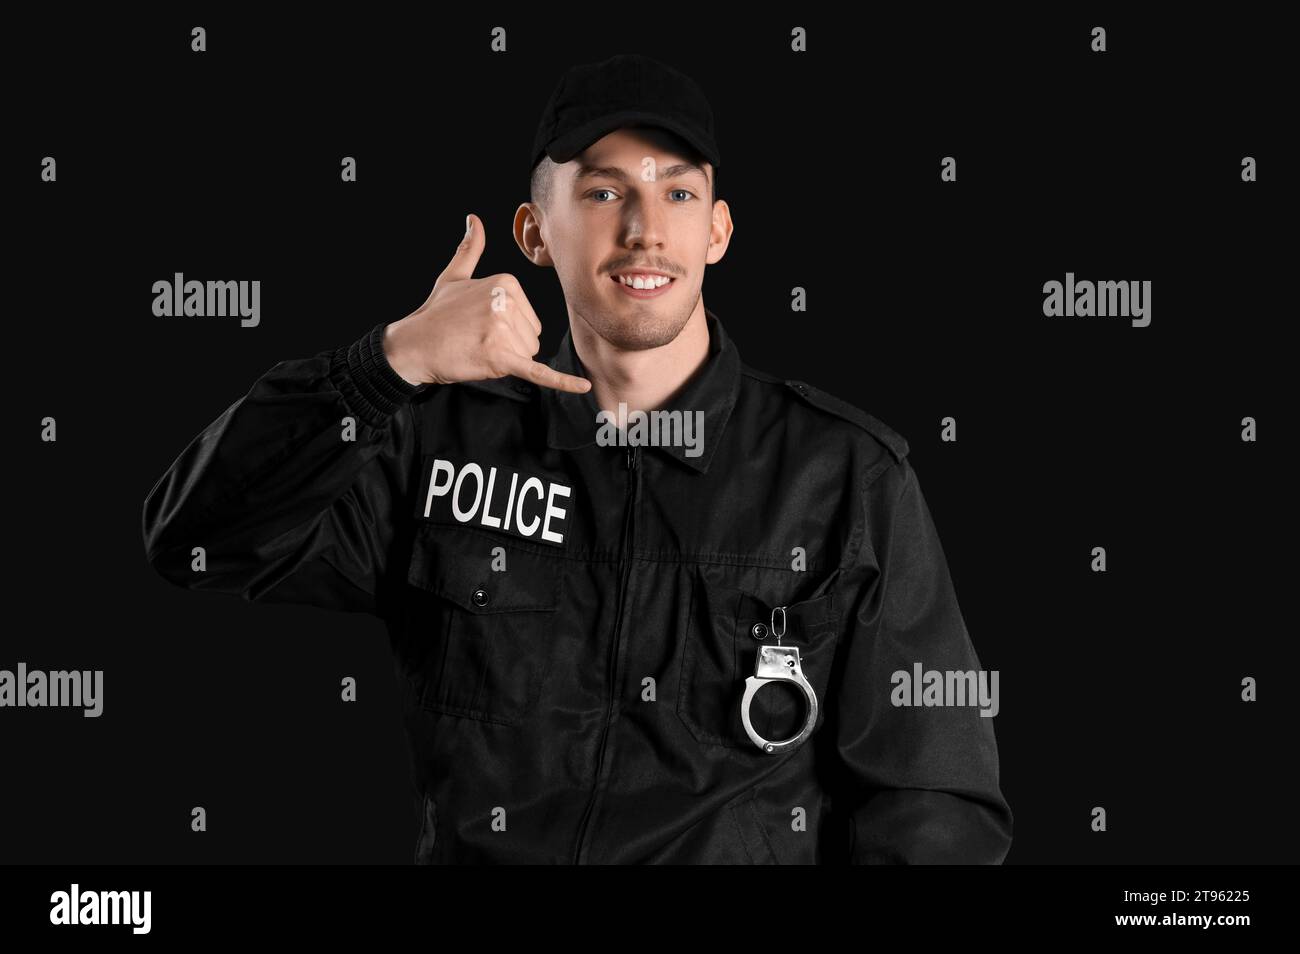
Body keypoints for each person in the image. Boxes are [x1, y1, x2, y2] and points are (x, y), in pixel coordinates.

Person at [142, 53, 1012, 864]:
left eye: (676, 196)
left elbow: (936, 803)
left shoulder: (846, 476)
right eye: (602, 194)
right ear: (533, 231)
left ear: (718, 231)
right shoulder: (433, 442)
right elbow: (197, 539)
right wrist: (388, 363)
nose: (643, 232)